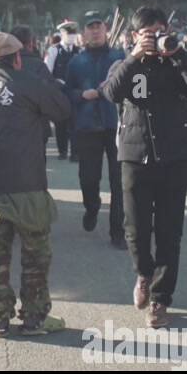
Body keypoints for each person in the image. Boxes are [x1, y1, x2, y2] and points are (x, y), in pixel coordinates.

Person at [101, 7, 187, 329]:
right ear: (136, 36)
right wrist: (134, 57)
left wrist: (179, 54)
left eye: (160, 30)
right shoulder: (126, 63)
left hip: (174, 158)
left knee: (169, 232)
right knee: (135, 229)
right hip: (136, 157)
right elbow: (111, 93)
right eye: (149, 32)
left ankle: (161, 299)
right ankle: (143, 275)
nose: (156, 37)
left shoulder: (177, 63)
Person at [0, 33, 71, 337]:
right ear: (18, 58)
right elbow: (63, 110)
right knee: (35, 257)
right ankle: (35, 318)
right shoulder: (29, 84)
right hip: (27, 185)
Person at [64, 15, 126, 249]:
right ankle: (92, 207)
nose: (96, 31)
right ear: (83, 33)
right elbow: (66, 93)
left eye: (99, 27)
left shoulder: (119, 57)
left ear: (106, 30)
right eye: (90, 28)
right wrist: (81, 95)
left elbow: (133, 86)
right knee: (88, 179)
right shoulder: (75, 62)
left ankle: (117, 232)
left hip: (116, 125)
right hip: (87, 127)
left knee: (119, 181)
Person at [45, 21, 80, 161]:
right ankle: (63, 150)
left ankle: (75, 152)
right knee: (61, 123)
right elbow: (47, 72)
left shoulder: (79, 51)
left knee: (75, 122)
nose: (71, 36)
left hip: (75, 91)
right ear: (62, 34)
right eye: (68, 33)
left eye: (73, 33)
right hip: (59, 91)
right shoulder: (54, 50)